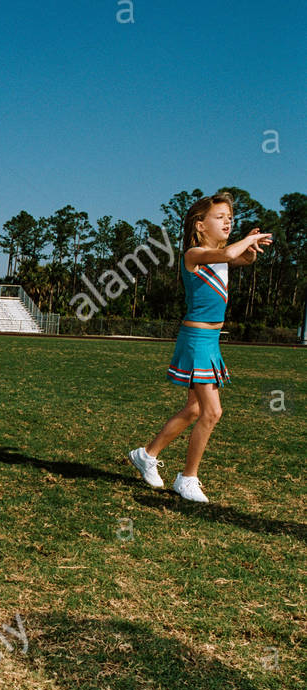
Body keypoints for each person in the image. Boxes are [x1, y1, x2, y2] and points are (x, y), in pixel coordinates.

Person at [129, 191, 271, 502]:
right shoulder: (194, 254)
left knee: (194, 408)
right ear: (199, 224)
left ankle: (146, 454)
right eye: (220, 218)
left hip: (209, 340)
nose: (227, 223)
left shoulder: (220, 254)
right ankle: (187, 478)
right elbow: (234, 255)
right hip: (197, 341)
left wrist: (252, 245)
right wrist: (243, 244)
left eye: (230, 219)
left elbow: (242, 257)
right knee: (212, 411)